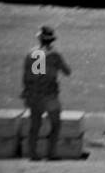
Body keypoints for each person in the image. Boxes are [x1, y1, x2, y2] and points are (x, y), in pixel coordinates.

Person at [21, 25, 71, 161]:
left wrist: (25, 91)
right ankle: (51, 153)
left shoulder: (31, 53)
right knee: (56, 124)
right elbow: (67, 72)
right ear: (52, 40)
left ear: (40, 39)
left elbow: (26, 76)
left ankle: (33, 154)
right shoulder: (54, 55)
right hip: (49, 94)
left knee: (35, 125)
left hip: (33, 94)